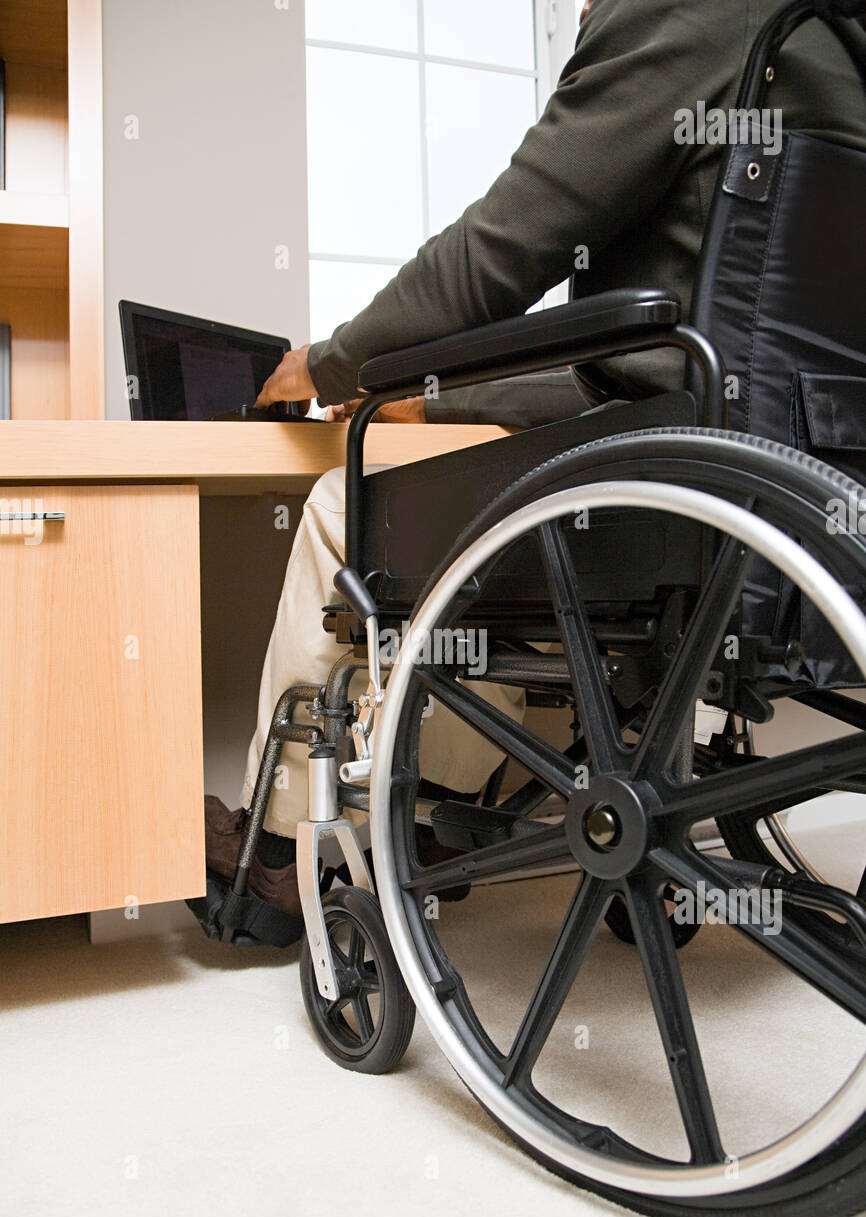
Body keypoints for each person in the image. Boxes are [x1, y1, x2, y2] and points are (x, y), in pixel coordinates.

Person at [205, 0, 866, 913]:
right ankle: (439, 817)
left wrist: (329, 362)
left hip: (681, 467)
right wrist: (440, 398)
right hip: (813, 474)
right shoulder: (828, 42)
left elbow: (497, 256)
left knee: (338, 502)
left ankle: (284, 853)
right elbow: (682, 346)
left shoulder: (686, 12)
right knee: (449, 472)